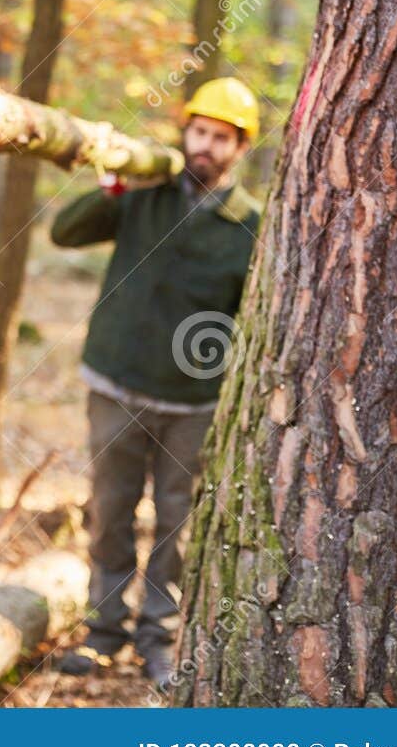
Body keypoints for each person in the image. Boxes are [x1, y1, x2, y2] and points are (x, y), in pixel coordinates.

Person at [49, 76, 263, 692]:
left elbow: (251, 319)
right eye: (199, 131)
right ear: (185, 132)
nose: (206, 146)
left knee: (175, 522)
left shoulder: (249, 224)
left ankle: (159, 641)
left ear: (240, 147)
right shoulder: (145, 192)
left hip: (192, 401)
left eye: (221, 138)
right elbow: (65, 233)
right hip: (115, 381)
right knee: (112, 511)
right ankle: (104, 633)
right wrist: (109, 187)